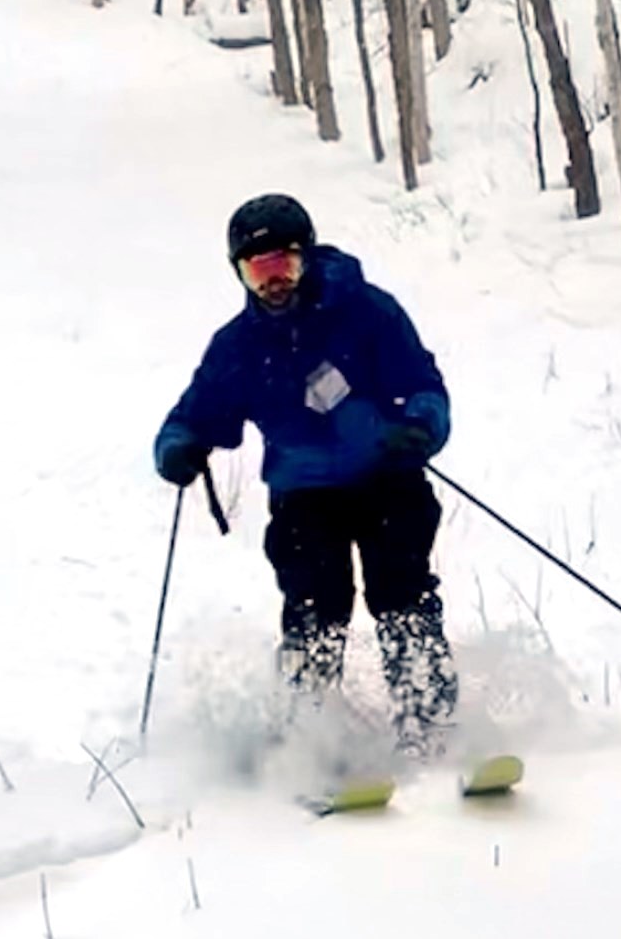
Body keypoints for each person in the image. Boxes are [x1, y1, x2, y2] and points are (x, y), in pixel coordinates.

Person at [153, 193, 458, 751]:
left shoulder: (368, 311)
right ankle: (308, 743)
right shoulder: (238, 346)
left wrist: (420, 425)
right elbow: (197, 412)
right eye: (257, 269)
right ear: (240, 274)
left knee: (402, 593)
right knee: (314, 606)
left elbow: (422, 383)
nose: (274, 282)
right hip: (304, 495)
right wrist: (179, 446)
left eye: (284, 264)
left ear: (308, 258)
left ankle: (429, 722)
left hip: (386, 475)